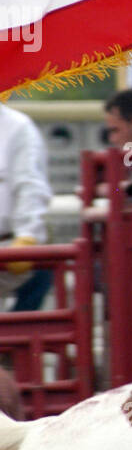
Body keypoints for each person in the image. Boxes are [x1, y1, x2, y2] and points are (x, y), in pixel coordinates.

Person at [0, 102, 53, 311]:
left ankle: (15, 341)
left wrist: (27, 236)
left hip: (9, 247)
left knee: (40, 269)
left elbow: (30, 186)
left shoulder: (17, 128)